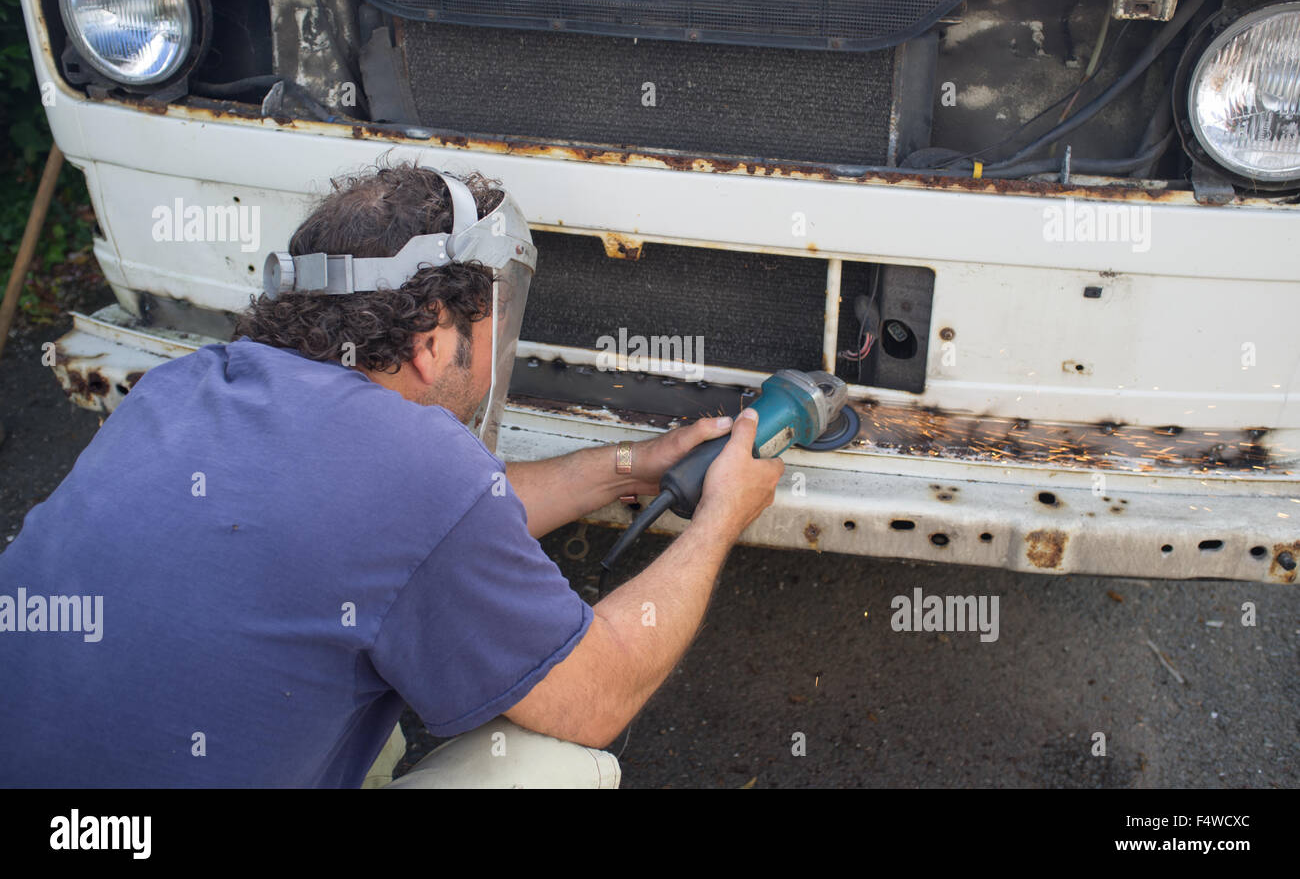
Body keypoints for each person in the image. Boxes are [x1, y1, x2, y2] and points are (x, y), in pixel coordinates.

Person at [0, 161, 783, 787]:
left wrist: (624, 469)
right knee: (556, 766)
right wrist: (720, 517)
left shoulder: (182, 386)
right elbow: (600, 692)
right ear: (434, 338)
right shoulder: (418, 466)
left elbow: (413, 525)